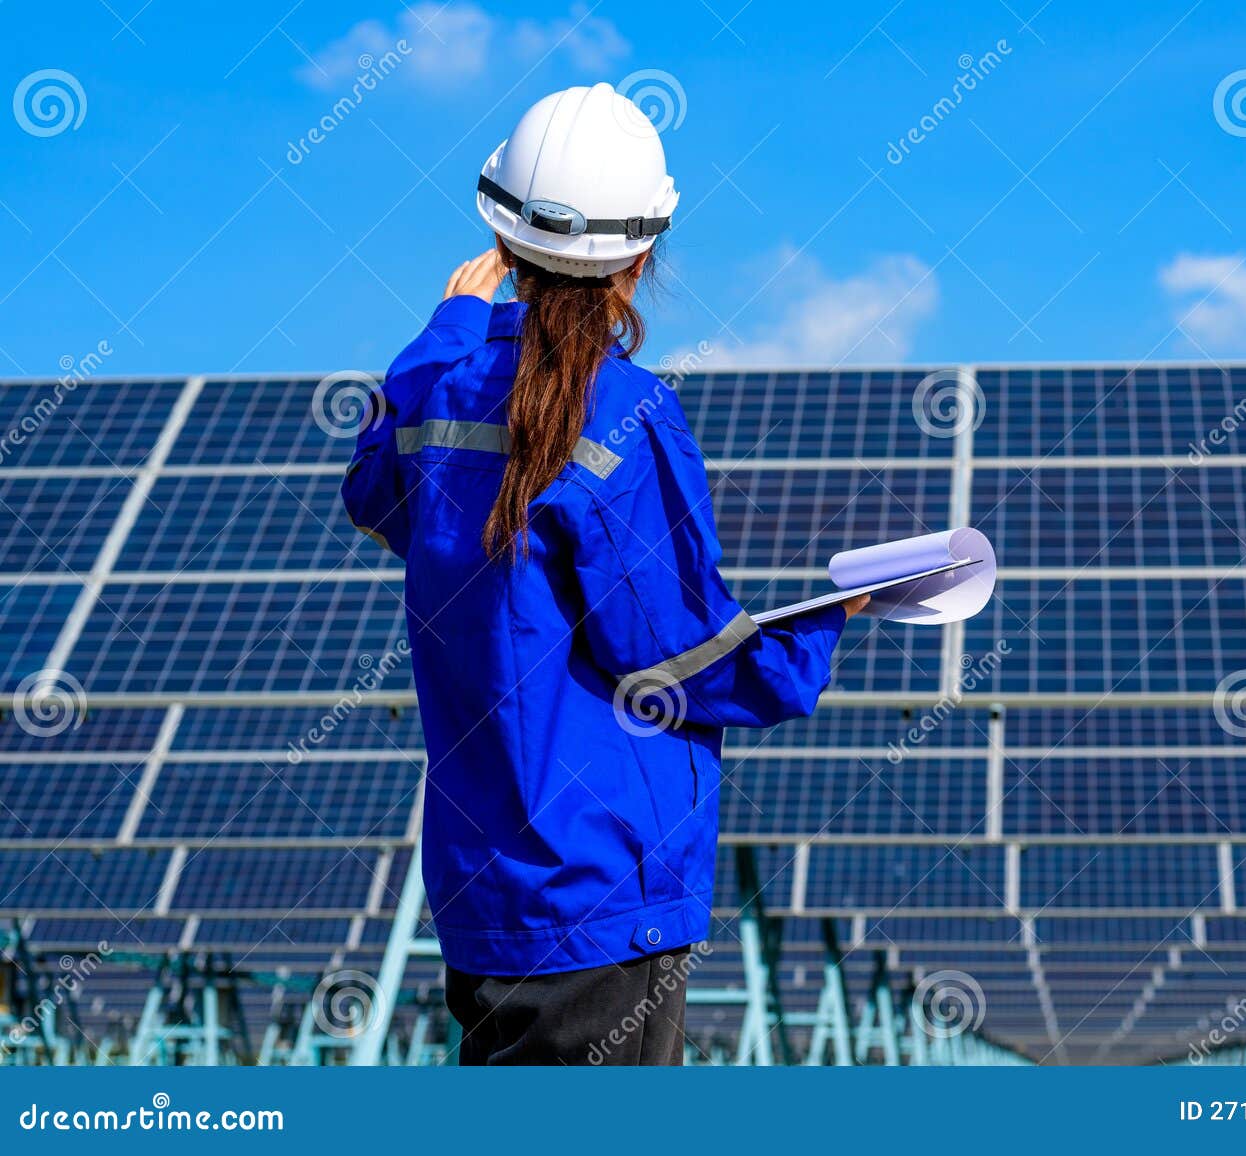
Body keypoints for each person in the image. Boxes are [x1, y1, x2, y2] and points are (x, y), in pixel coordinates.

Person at [342, 82, 866, 1065]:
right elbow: (674, 656)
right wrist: (824, 625)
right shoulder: (626, 414)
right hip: (601, 892)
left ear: (500, 239)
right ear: (639, 257)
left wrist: (451, 325)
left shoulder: (443, 389)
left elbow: (374, 489)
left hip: (483, 890)